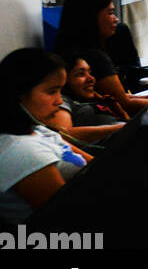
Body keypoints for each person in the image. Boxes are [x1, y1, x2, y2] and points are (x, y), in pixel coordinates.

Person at [0, 49, 91, 225]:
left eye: (60, 91)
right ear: (17, 95)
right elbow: (69, 218)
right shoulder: (20, 152)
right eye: (52, 92)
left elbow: (96, 164)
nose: (59, 101)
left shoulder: (39, 130)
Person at [53, 0, 148, 115]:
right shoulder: (94, 57)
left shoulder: (65, 49)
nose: (116, 19)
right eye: (110, 13)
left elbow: (124, 98)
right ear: (90, 17)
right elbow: (126, 104)